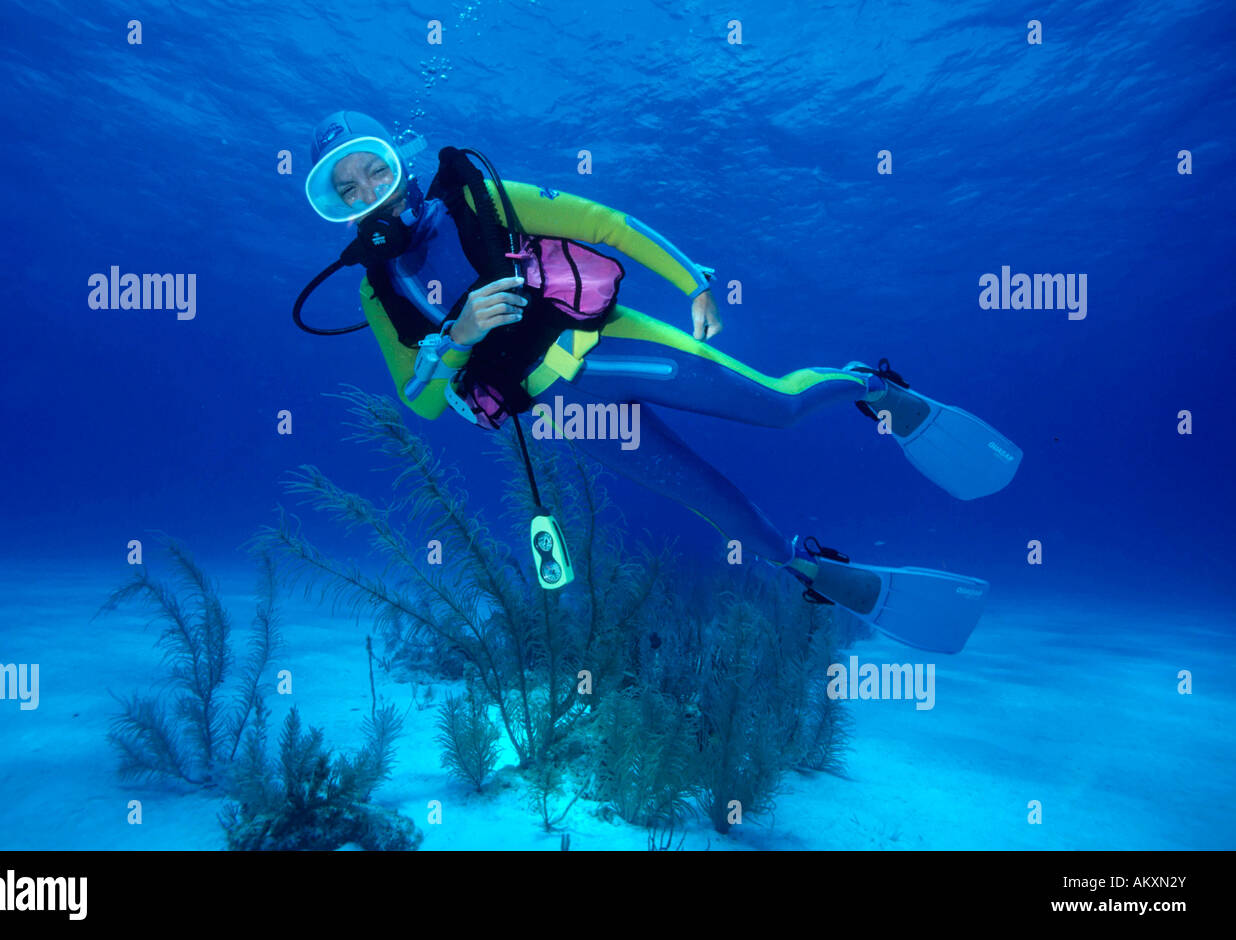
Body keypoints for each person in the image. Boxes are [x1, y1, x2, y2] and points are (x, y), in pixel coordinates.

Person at [298, 110, 1024, 653]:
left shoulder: (482, 200)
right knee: (711, 502)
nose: (371, 193)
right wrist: (456, 339)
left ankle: (872, 387)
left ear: (400, 162)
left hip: (614, 343)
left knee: (779, 406)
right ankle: (811, 568)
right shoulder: (377, 290)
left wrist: (692, 282)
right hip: (562, 414)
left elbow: (604, 223)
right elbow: (420, 402)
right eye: (347, 190)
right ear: (338, 208)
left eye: (375, 171)